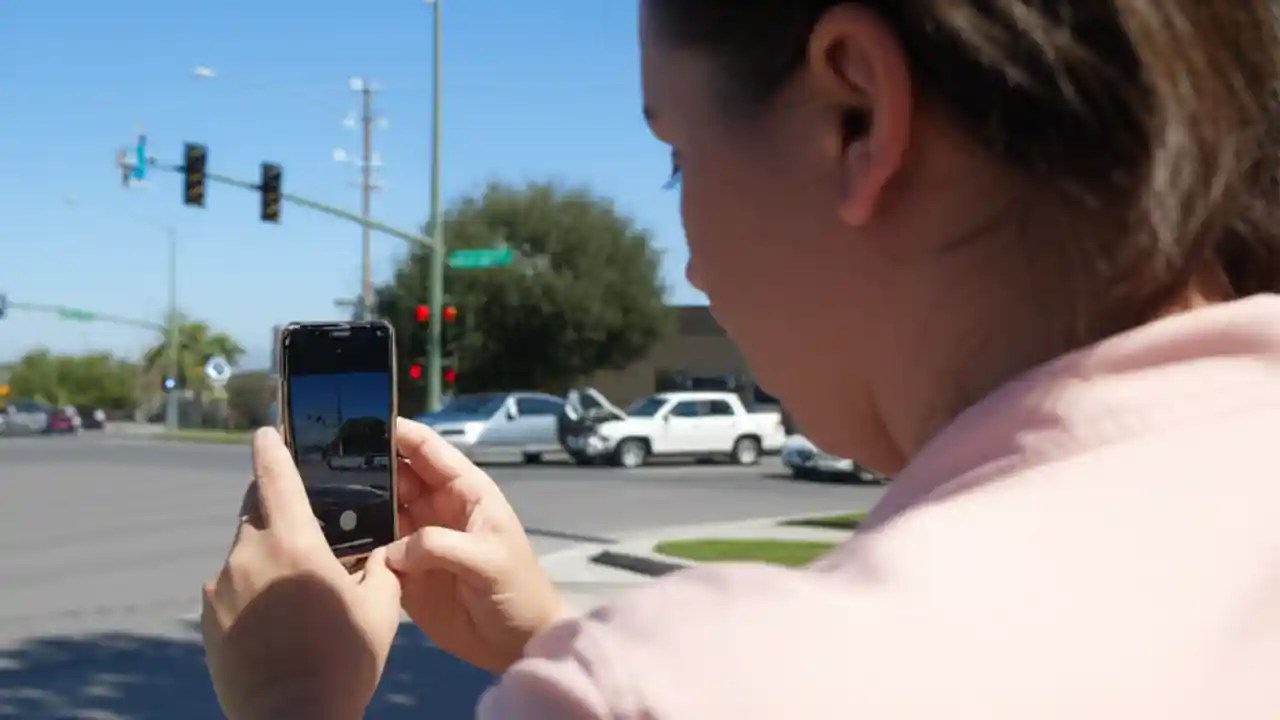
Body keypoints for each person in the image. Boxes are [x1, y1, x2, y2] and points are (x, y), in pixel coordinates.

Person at [200, 1, 1280, 717]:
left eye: (675, 158)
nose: (695, 266)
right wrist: (554, 631)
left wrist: (294, 692)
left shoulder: (673, 686)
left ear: (855, 114)